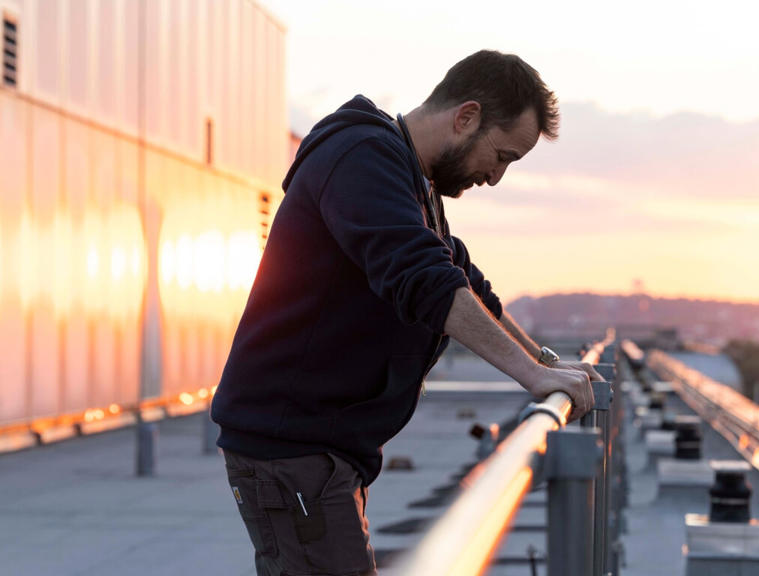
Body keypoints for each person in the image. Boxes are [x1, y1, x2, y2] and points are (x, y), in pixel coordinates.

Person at [211, 50, 601, 576]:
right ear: (466, 117)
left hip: (320, 453)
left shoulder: (410, 182)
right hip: (292, 451)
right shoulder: (361, 158)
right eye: (503, 155)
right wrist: (533, 375)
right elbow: (427, 282)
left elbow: (467, 285)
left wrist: (548, 363)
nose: (496, 177)